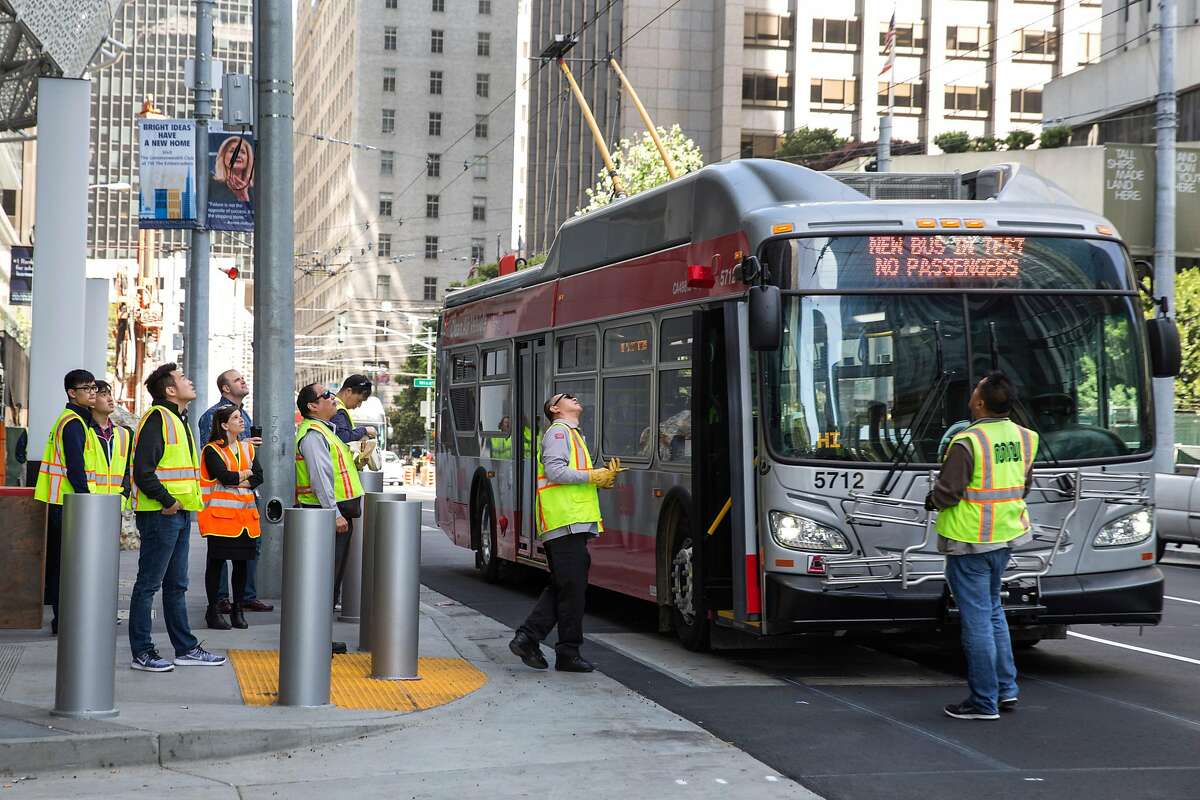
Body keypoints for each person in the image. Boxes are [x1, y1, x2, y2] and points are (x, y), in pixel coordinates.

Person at [925, 371, 1036, 721]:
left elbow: (947, 493)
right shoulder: (1025, 437)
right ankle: (1006, 691)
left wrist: (931, 500)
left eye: (975, 392)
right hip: (1004, 538)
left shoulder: (967, 441)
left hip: (969, 540)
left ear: (980, 402)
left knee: (976, 622)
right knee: (993, 612)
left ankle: (983, 702)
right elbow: (1023, 486)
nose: (972, 395)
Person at [509, 392, 620, 673]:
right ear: (555, 409)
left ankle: (537, 642)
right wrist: (593, 475)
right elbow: (556, 472)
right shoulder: (558, 433)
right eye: (566, 397)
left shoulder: (571, 434)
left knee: (566, 587)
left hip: (570, 522)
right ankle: (555, 647)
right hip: (563, 522)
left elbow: (571, 476)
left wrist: (600, 479)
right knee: (571, 589)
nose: (575, 398)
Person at [128, 363, 227, 672]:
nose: (190, 381)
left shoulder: (176, 419)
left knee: (176, 585)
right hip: (162, 513)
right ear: (170, 390)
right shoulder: (158, 418)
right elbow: (143, 471)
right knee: (149, 584)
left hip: (177, 514)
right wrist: (168, 501)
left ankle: (185, 648)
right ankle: (143, 652)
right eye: (183, 378)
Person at [197, 369, 273, 614]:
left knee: (248, 551)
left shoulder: (244, 414)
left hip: (245, 501)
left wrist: (244, 474)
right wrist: (242, 470)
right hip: (222, 503)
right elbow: (214, 459)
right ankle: (220, 600)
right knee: (219, 554)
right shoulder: (213, 415)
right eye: (237, 379)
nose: (244, 380)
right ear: (226, 388)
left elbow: (255, 472)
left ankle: (244, 597)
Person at [33, 369, 101, 635]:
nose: (93, 392)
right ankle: (65, 621)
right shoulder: (73, 422)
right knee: (68, 568)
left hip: (63, 501)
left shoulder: (75, 420)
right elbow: (76, 469)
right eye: (88, 388)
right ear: (72, 393)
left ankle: (64, 620)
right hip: (69, 504)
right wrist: (87, 502)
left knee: (64, 566)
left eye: (95, 387)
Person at [295, 383, 364, 620]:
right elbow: (320, 478)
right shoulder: (314, 434)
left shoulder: (324, 430)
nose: (332, 397)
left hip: (332, 514)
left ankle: (321, 636)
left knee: (330, 577)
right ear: (312, 406)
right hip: (326, 515)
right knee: (326, 578)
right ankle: (319, 637)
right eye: (325, 395)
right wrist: (334, 513)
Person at [199, 405, 262, 631]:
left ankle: (238, 610)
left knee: (241, 565)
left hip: (245, 520)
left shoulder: (248, 450)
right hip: (220, 519)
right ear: (224, 425)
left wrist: (240, 478)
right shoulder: (211, 450)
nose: (241, 420)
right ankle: (213, 610)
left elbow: (260, 477)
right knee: (216, 565)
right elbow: (224, 477)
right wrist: (246, 474)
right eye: (236, 418)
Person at [90, 380, 132, 502]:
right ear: (92, 401)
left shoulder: (124, 433)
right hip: (88, 503)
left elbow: (128, 470)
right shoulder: (85, 431)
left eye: (110, 394)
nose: (109, 399)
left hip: (115, 504)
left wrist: (123, 496)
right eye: (103, 395)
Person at [331, 375, 377, 444]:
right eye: (359, 400)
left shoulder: (336, 406)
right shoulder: (338, 410)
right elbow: (344, 437)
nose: (359, 405)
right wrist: (364, 430)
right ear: (349, 391)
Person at [213, 135, 254, 203]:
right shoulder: (210, 183)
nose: (238, 155)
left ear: (248, 159)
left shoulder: (257, 189)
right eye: (232, 151)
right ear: (223, 156)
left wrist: (244, 199)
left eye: (242, 152)